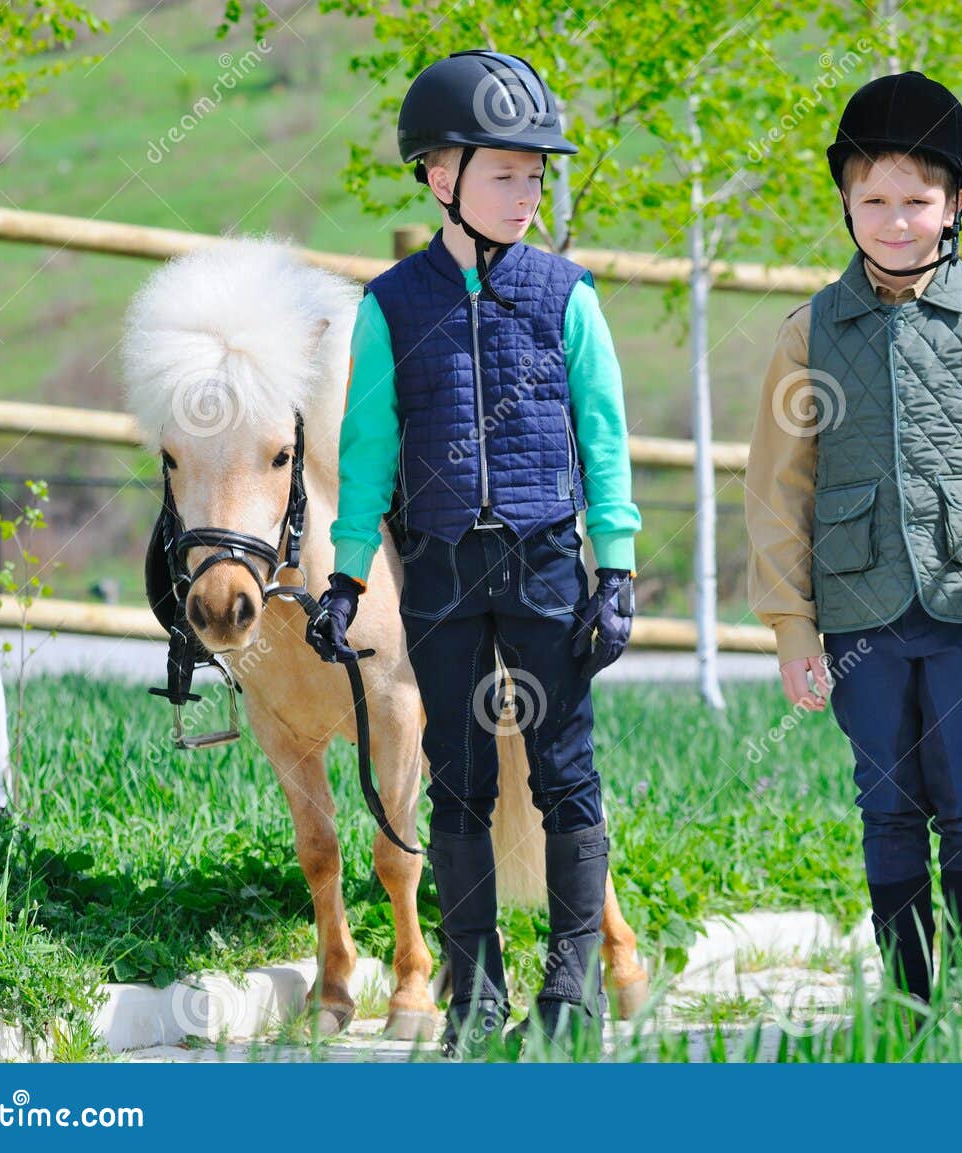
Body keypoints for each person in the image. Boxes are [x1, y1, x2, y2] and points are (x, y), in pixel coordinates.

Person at [308, 50, 641, 1054]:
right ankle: (473, 990)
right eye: (506, 174)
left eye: (537, 177)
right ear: (438, 177)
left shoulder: (566, 296)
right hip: (442, 570)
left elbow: (606, 434)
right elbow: (365, 453)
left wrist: (616, 567)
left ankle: (571, 983)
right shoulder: (390, 304)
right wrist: (348, 572)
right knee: (456, 780)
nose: (528, 194)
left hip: (545, 563)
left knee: (563, 773)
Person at [744, 72, 962, 1004]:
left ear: (955, 205)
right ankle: (910, 997)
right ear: (847, 204)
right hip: (857, 610)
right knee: (885, 802)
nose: (896, 221)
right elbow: (778, 487)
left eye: (917, 201)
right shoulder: (806, 333)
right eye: (875, 200)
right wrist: (791, 624)